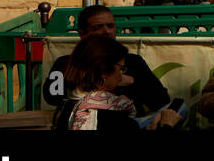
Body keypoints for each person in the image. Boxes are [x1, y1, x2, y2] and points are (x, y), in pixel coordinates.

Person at [44, 5, 173, 119]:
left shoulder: (133, 62)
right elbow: (52, 97)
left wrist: (134, 82)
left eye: (110, 26)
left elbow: (161, 100)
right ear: (83, 34)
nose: (107, 31)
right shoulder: (66, 63)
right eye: (98, 27)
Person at [54, 36, 182, 131]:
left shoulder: (68, 104)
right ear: (103, 71)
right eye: (120, 69)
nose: (121, 76)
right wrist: (167, 126)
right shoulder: (114, 117)